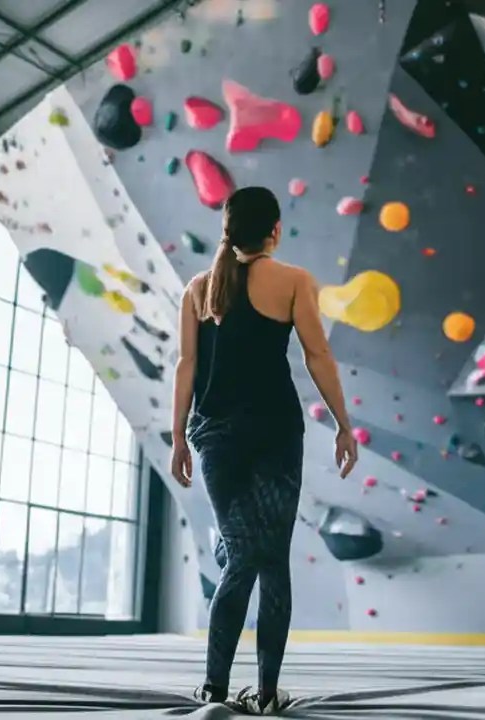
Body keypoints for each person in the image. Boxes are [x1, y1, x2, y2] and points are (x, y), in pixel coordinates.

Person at [169, 186, 358, 714]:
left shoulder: (198, 290)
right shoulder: (294, 281)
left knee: (245, 554)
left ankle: (215, 689)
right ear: (275, 231)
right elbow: (318, 356)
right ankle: (266, 694)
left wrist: (179, 435)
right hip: (276, 435)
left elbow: (187, 367)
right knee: (267, 560)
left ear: (227, 230)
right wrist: (344, 425)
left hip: (216, 438)